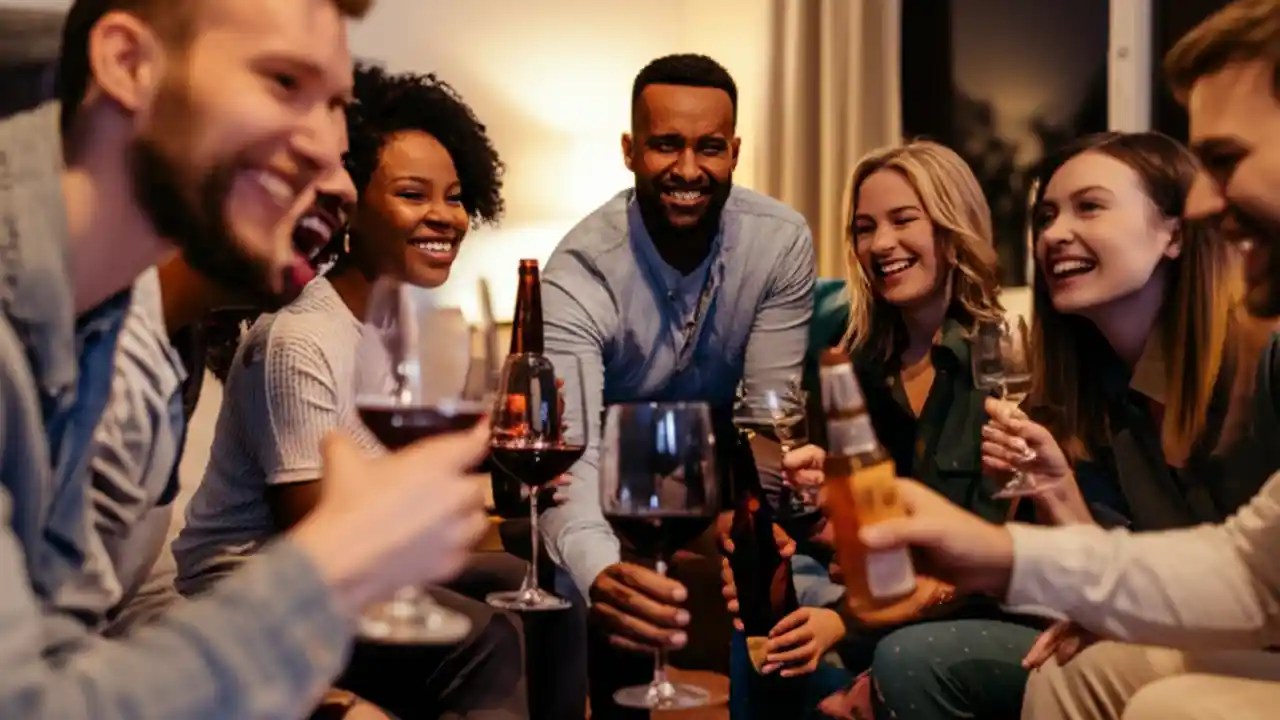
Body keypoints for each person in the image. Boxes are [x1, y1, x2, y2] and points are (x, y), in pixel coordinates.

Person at [0, 1, 490, 717]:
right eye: (283, 83)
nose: (336, 167)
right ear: (127, 65)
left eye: (334, 107)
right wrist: (329, 570)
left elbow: (74, 640)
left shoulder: (114, 335)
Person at [856, 6, 1280, 719]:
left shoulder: (1262, 362)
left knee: (1159, 703)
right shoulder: (1096, 388)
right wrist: (1046, 502)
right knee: (1066, 674)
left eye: (1227, 161)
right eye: (1046, 215)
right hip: (1233, 621)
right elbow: (1241, 570)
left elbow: (1239, 581)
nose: (1054, 235)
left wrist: (993, 550)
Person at [171, 63, 546, 719]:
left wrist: (498, 453)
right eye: (412, 193)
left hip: (360, 560)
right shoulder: (297, 338)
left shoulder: (403, 329)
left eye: (455, 196)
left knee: (530, 586)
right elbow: (317, 529)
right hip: (262, 587)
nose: (444, 216)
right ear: (350, 207)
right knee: (483, 637)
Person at [723, 141, 1049, 718]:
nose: (880, 245)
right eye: (865, 228)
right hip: (878, 593)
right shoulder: (851, 367)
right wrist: (812, 514)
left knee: (825, 628)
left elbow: (989, 564)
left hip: (975, 610)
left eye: (904, 221)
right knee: (768, 617)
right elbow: (843, 534)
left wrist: (841, 623)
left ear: (953, 230)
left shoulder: (1007, 367)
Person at [539, 53, 816, 715]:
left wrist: (756, 522)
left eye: (709, 148)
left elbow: (767, 419)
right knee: (600, 574)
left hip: (728, 451)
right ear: (631, 150)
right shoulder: (578, 274)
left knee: (772, 544)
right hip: (610, 465)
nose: (689, 170)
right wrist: (603, 574)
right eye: (666, 144)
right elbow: (570, 456)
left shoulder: (779, 243)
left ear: (735, 152)